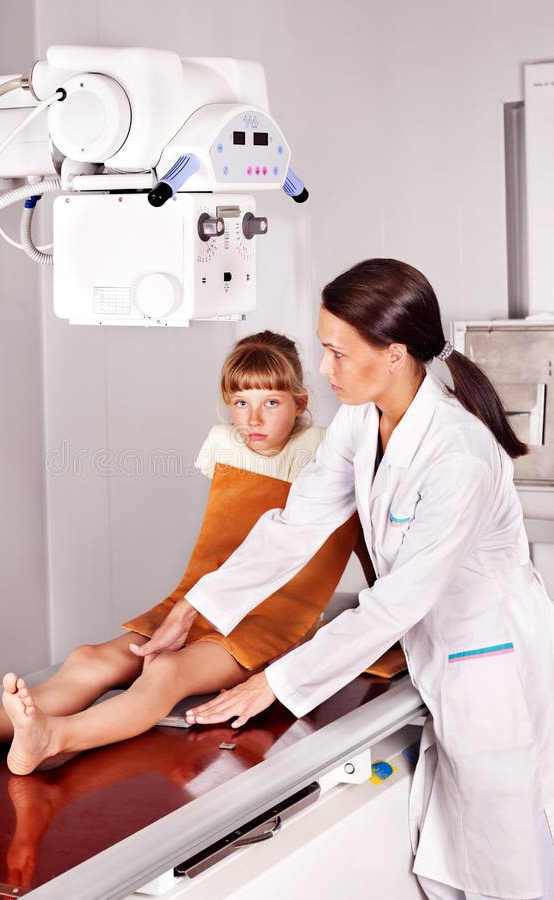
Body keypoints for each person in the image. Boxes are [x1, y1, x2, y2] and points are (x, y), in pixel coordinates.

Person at [138, 259, 554, 900]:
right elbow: (295, 525)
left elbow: (396, 603)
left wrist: (272, 683)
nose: (324, 371)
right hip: (442, 654)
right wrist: (196, 606)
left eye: (335, 353)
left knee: (507, 861)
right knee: (456, 856)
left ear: (394, 354)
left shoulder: (459, 454)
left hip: (491, 662)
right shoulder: (362, 421)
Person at [0, 331, 362, 777]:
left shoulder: (325, 449)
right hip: (200, 594)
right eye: (241, 402)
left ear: (299, 404)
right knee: (91, 659)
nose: (254, 418)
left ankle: (53, 737)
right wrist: (192, 604)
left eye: (271, 403)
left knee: (165, 671)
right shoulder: (224, 444)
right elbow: (227, 540)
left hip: (269, 620)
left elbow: (346, 535)